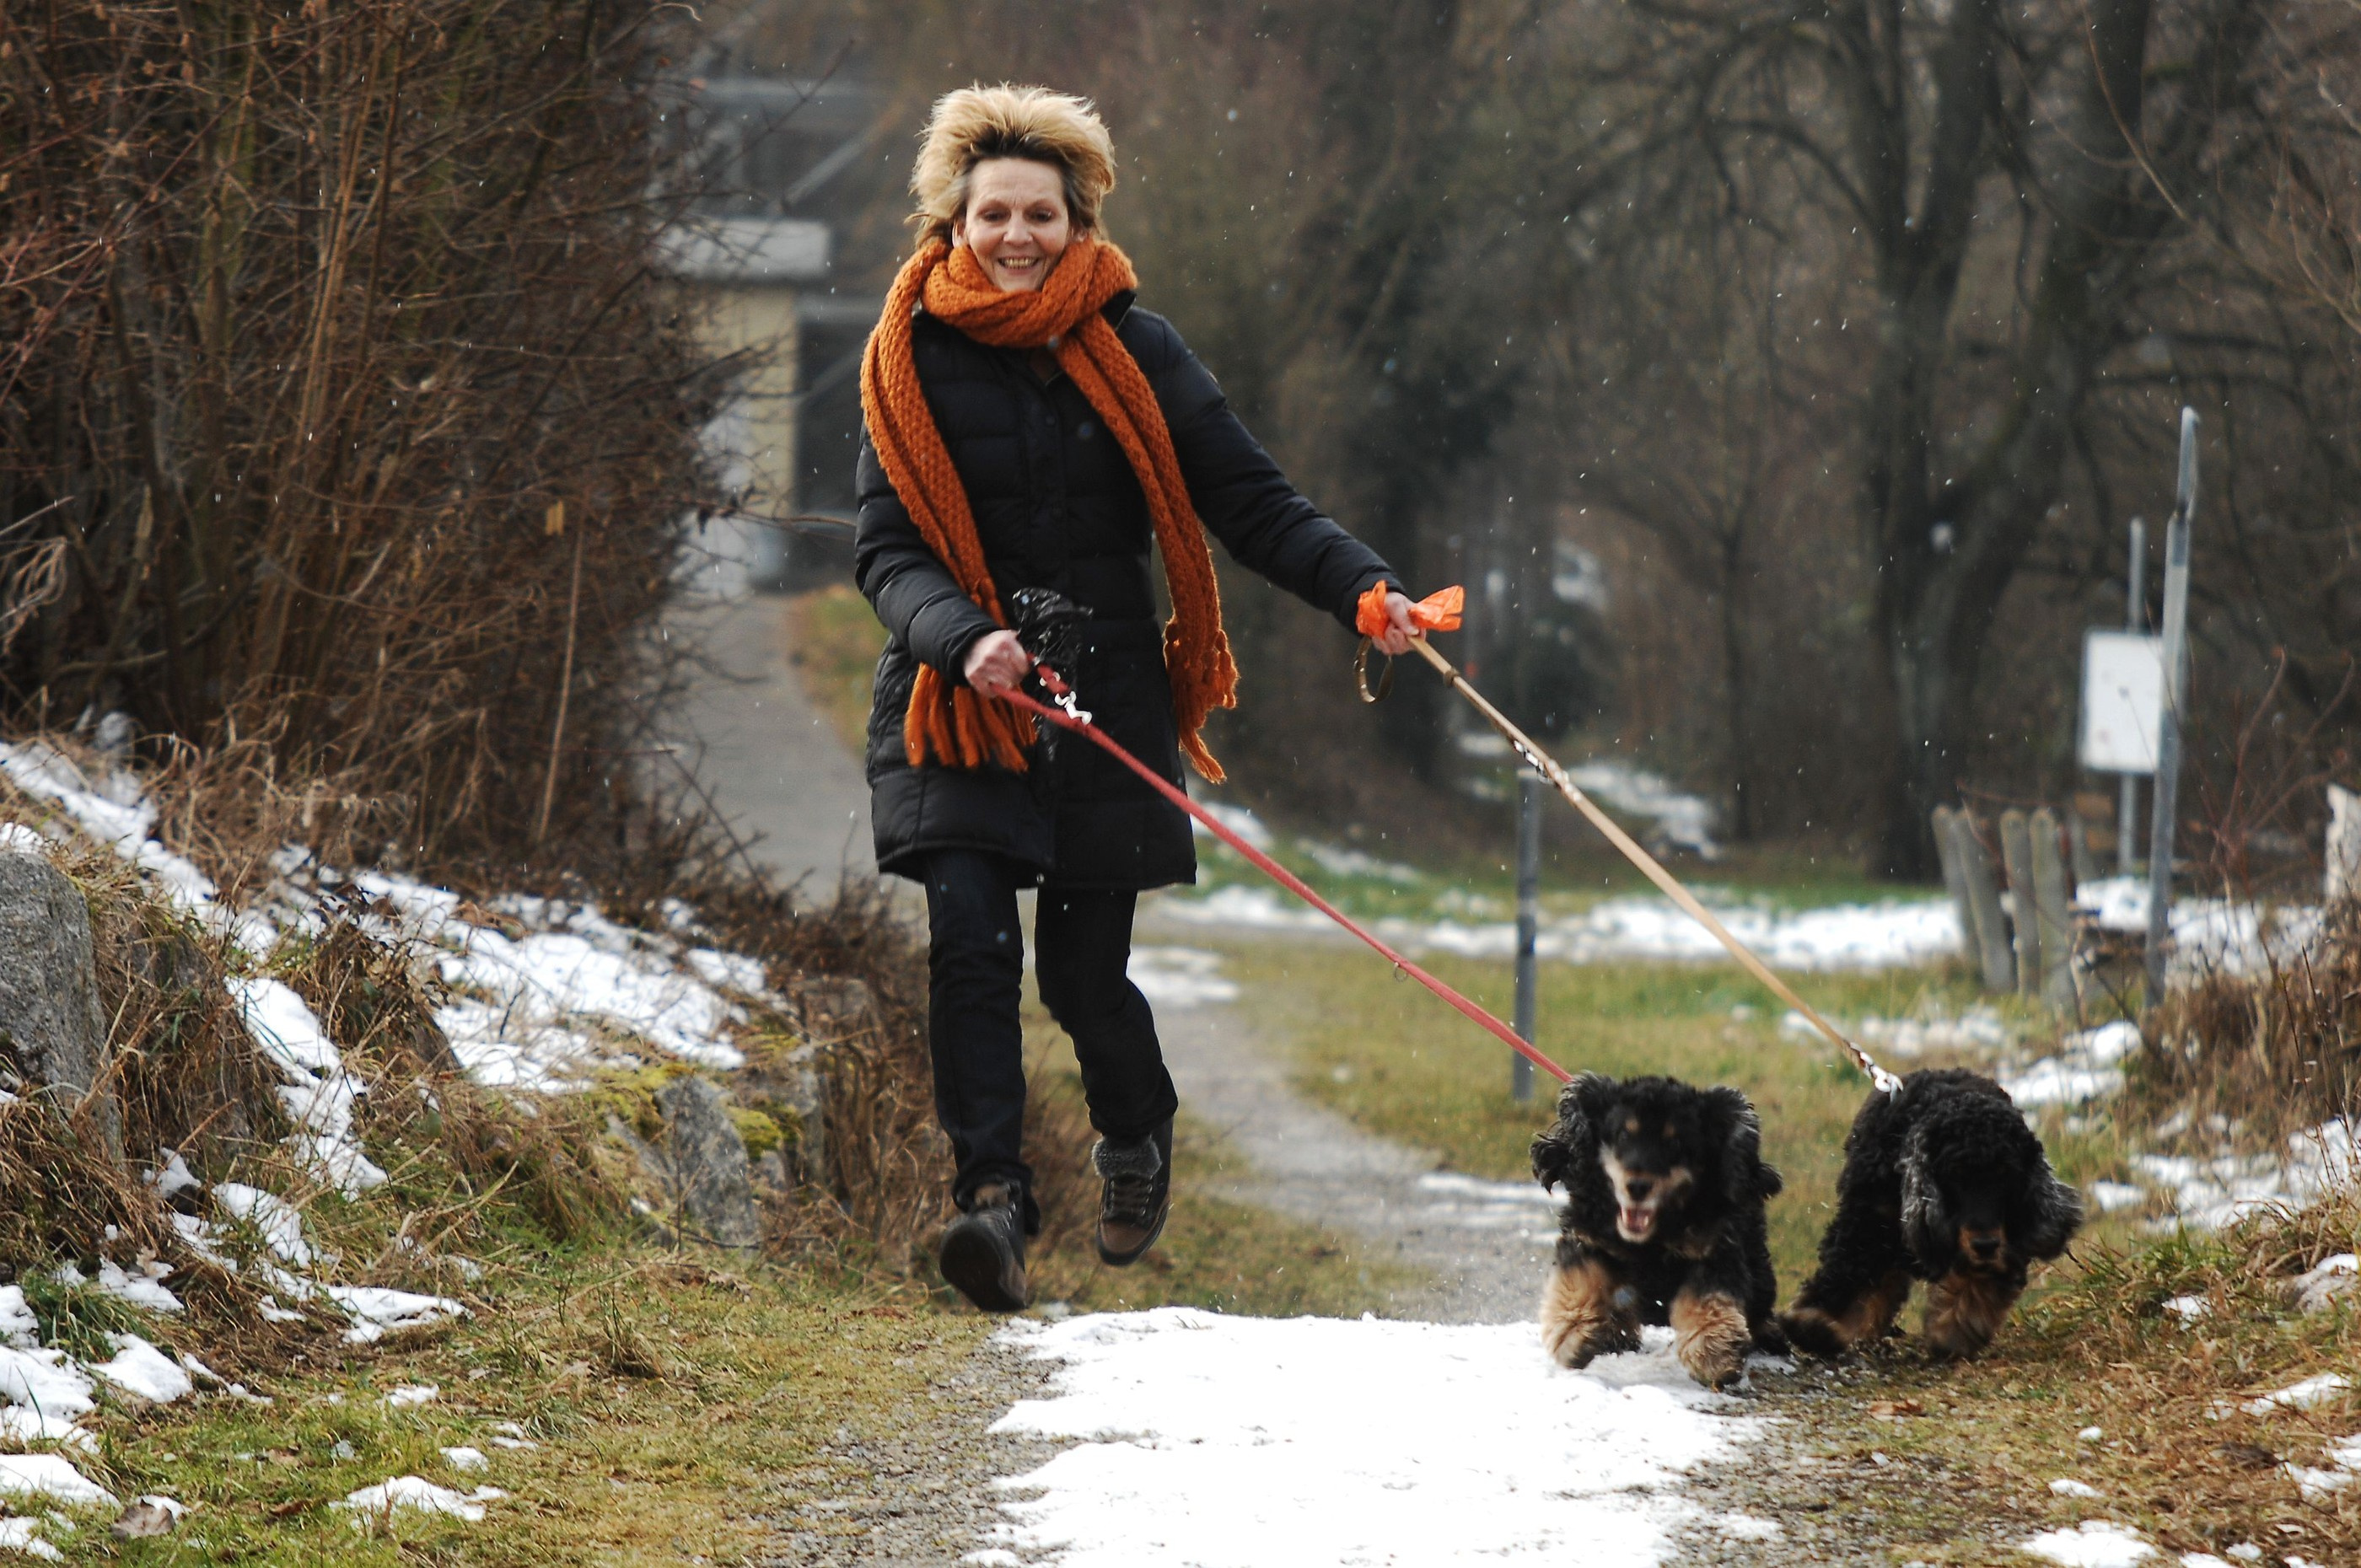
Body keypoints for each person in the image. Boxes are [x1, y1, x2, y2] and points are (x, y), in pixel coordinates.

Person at [854, 84, 1421, 1313]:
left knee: (1081, 976)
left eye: (1041, 215)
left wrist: (1366, 593)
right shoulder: (903, 354)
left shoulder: (1139, 349)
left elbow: (1254, 504)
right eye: (994, 212)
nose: (1017, 236)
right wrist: (964, 640)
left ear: (1079, 219)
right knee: (969, 939)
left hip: (1105, 699)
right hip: (957, 697)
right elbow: (885, 550)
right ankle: (993, 1202)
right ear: (951, 219)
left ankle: (1135, 1128)